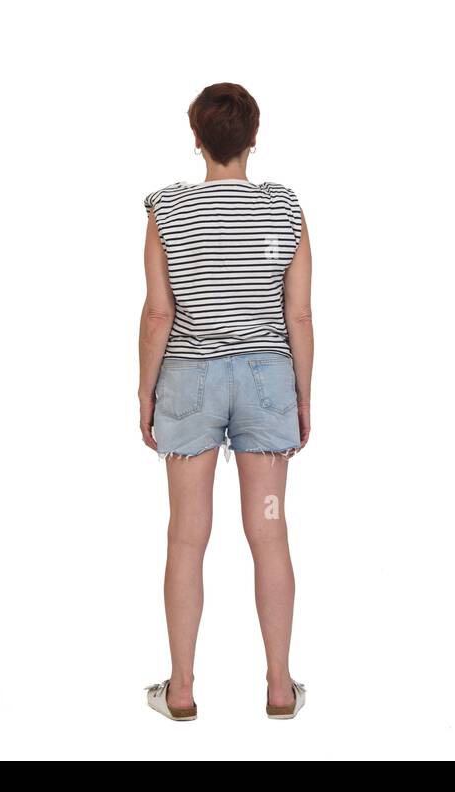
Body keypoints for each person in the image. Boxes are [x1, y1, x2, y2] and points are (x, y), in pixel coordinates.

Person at [140, 82, 313, 721]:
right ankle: (277, 686)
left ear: (196, 138)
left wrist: (144, 391)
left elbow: (160, 313)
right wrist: (303, 394)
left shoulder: (166, 208)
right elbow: (299, 312)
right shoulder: (285, 208)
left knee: (188, 537)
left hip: (188, 381)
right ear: (253, 138)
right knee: (268, 532)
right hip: (268, 379)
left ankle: (181, 690)